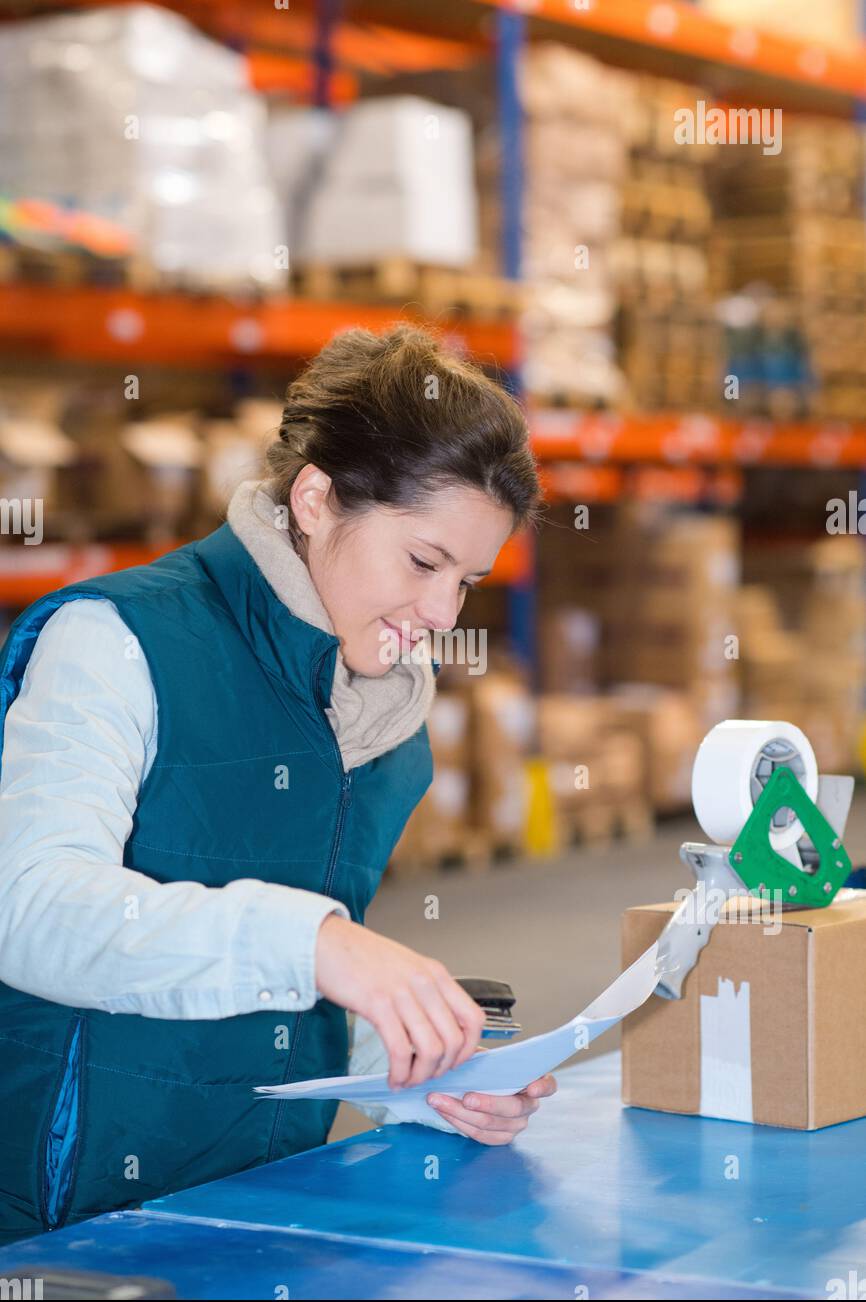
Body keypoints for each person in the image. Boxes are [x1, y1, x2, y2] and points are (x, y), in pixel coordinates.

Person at [0, 323, 555, 1248]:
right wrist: (316, 943)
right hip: (59, 1228)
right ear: (314, 500)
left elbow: (291, 986)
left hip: (257, 1209)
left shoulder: (384, 723)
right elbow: (30, 910)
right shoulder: (116, 641)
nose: (441, 615)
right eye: (423, 562)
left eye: (469, 581)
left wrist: (418, 1068)